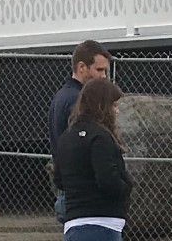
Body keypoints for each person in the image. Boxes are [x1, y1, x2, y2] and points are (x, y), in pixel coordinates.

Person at [54, 77, 133, 241]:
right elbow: (107, 180)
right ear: (102, 106)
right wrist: (126, 186)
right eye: (113, 105)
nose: (116, 111)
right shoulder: (101, 138)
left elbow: (59, 180)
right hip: (102, 223)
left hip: (73, 222)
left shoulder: (66, 137)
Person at [50, 41, 113, 219]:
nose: (104, 76)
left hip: (70, 189)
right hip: (80, 194)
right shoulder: (77, 102)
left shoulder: (62, 96)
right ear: (82, 67)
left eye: (105, 71)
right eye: (99, 70)